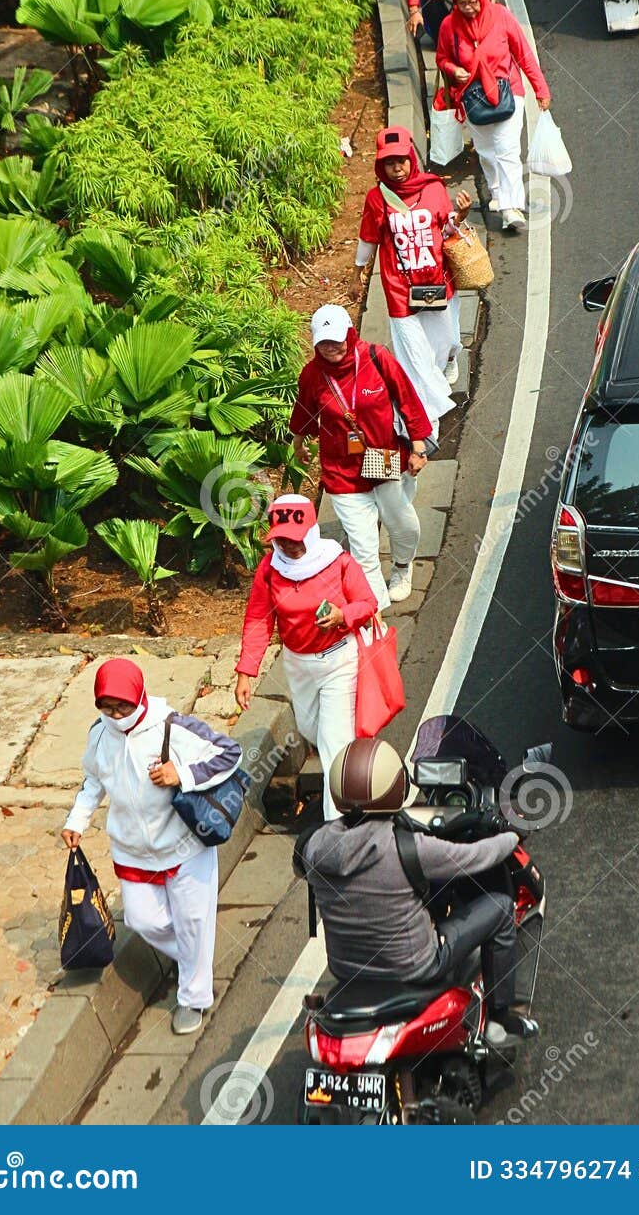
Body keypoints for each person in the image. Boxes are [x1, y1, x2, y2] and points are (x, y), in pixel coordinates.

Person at [296, 736, 537, 1044]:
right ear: (395, 787)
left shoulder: (313, 846)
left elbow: (302, 864)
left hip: (347, 968)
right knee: (502, 907)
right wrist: (511, 837)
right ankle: (501, 1014)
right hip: (415, 966)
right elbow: (477, 857)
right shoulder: (408, 847)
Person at [61, 657, 241, 1036]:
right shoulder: (100, 735)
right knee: (145, 921)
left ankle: (193, 998)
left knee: (192, 922)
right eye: (107, 707)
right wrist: (77, 820)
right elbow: (93, 780)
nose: (116, 714)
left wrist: (183, 774)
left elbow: (229, 753)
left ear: (139, 697)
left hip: (185, 845)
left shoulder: (173, 728)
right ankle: (196, 961)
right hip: (133, 850)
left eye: (122, 706)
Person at [235, 495, 377, 821]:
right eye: (281, 539)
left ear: (311, 532)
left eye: (295, 538)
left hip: (339, 661)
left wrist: (344, 615)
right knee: (311, 729)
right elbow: (259, 619)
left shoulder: (338, 561)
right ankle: (361, 771)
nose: (288, 545)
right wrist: (246, 671)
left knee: (331, 746)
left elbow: (367, 603)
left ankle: (338, 827)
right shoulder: (270, 570)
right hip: (298, 665)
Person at [290, 304, 432, 609]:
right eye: (324, 342)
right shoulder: (313, 374)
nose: (332, 348)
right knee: (363, 548)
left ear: (350, 334)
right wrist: (298, 444)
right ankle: (375, 612)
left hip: (385, 460)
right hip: (342, 472)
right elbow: (303, 411)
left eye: (337, 339)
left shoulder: (375, 357)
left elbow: (407, 399)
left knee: (403, 524)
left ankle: (403, 568)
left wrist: (419, 446)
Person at [354, 125, 472, 433]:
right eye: (389, 162)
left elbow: (446, 230)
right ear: (381, 165)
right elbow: (368, 239)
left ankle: (449, 358)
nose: (396, 168)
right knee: (414, 356)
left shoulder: (433, 188)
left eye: (401, 160)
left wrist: (460, 215)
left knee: (447, 341)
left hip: (438, 282)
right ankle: (425, 418)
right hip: (399, 291)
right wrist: (358, 272)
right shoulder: (376, 199)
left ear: (411, 158)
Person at [436, 0, 551, 230]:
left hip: (507, 91)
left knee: (507, 148)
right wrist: (455, 70)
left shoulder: (501, 17)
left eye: (472, 1)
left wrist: (540, 90)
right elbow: (442, 58)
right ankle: (498, 193)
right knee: (487, 151)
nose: (468, 8)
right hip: (473, 97)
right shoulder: (448, 26)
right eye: (461, 3)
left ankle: (511, 208)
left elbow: (523, 54)